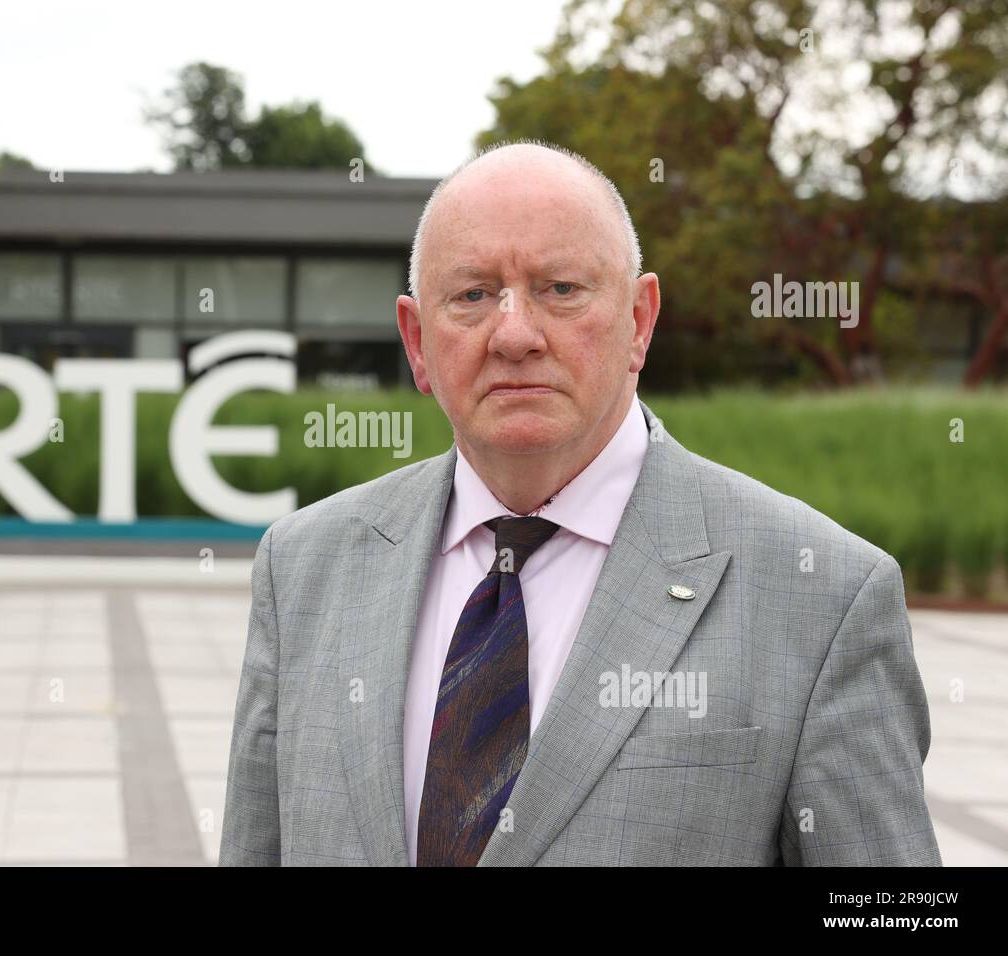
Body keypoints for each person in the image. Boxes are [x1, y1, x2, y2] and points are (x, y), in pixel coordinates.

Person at [219, 141, 940, 866]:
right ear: (416, 342)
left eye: (560, 288)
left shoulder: (825, 597)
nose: (515, 334)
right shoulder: (303, 568)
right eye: (471, 295)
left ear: (640, 320)